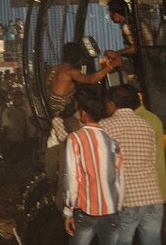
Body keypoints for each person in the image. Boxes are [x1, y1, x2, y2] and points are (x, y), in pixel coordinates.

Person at [100, 84, 163, 245]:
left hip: (125, 199)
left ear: (112, 103)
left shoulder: (105, 126)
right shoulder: (146, 125)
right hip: (152, 196)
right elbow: (152, 158)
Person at [63, 89, 123, 245]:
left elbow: (72, 178)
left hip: (86, 210)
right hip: (112, 209)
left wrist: (68, 211)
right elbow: (119, 178)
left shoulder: (74, 138)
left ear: (83, 114)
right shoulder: (112, 141)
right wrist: (119, 206)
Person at [48, 42, 121, 123]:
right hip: (58, 112)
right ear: (79, 58)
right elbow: (91, 79)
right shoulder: (70, 72)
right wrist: (112, 65)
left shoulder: (54, 69)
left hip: (48, 108)